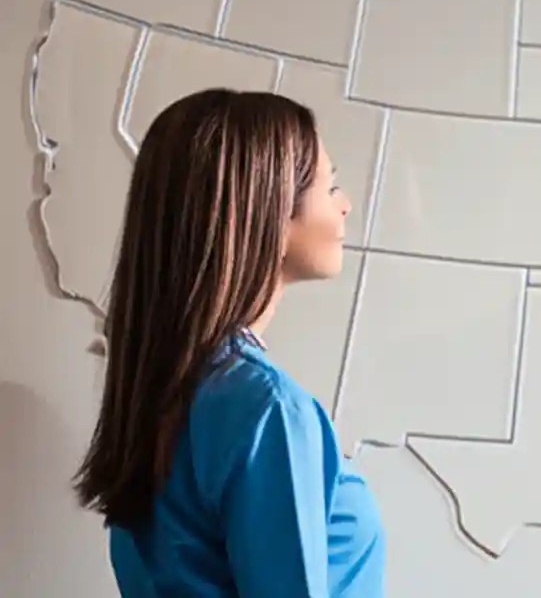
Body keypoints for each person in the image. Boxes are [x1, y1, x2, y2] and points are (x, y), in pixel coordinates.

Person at [72, 88, 386, 596]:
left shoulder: (157, 394)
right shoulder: (266, 408)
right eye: (332, 187)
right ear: (272, 209)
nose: (345, 206)